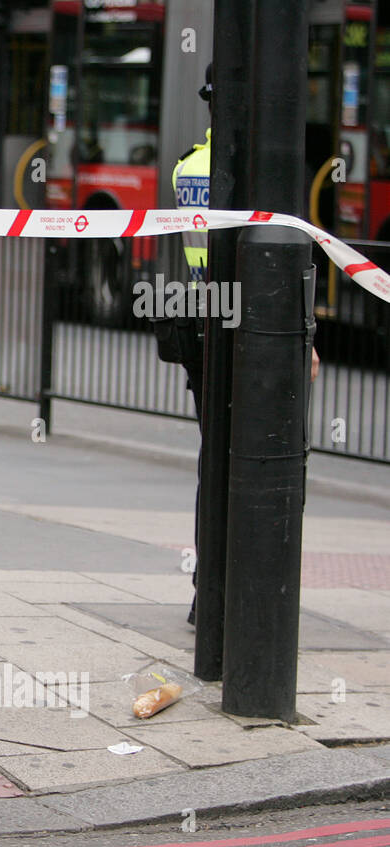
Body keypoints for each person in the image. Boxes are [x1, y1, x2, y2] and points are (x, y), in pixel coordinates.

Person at [168, 66, 319, 626]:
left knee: (214, 458)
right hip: (252, 329)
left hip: (204, 321)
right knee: (263, 460)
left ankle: (207, 590)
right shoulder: (255, 172)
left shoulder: (189, 166)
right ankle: (245, 594)